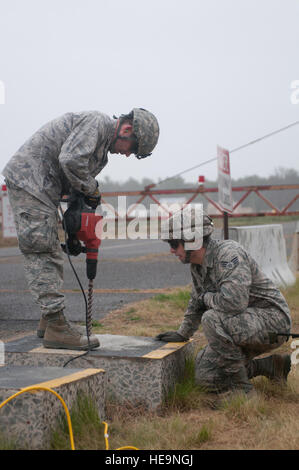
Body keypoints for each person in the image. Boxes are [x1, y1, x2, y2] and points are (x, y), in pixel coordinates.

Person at [2, 108, 159, 350]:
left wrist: (75, 228)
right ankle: (56, 325)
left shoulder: (101, 155)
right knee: (42, 251)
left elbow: (75, 187)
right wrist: (92, 188)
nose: (127, 155)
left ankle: (48, 319)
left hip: (45, 189)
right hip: (30, 181)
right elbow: (70, 160)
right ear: (127, 130)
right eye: (132, 149)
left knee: (52, 248)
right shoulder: (96, 123)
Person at [156, 209, 292, 396]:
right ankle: (271, 366)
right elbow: (196, 301)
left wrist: (206, 298)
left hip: (272, 321)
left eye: (174, 244)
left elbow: (233, 303)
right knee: (204, 377)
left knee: (211, 318)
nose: (172, 250)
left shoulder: (229, 255)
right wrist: (183, 333)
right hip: (240, 323)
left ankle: (242, 389)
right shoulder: (197, 264)